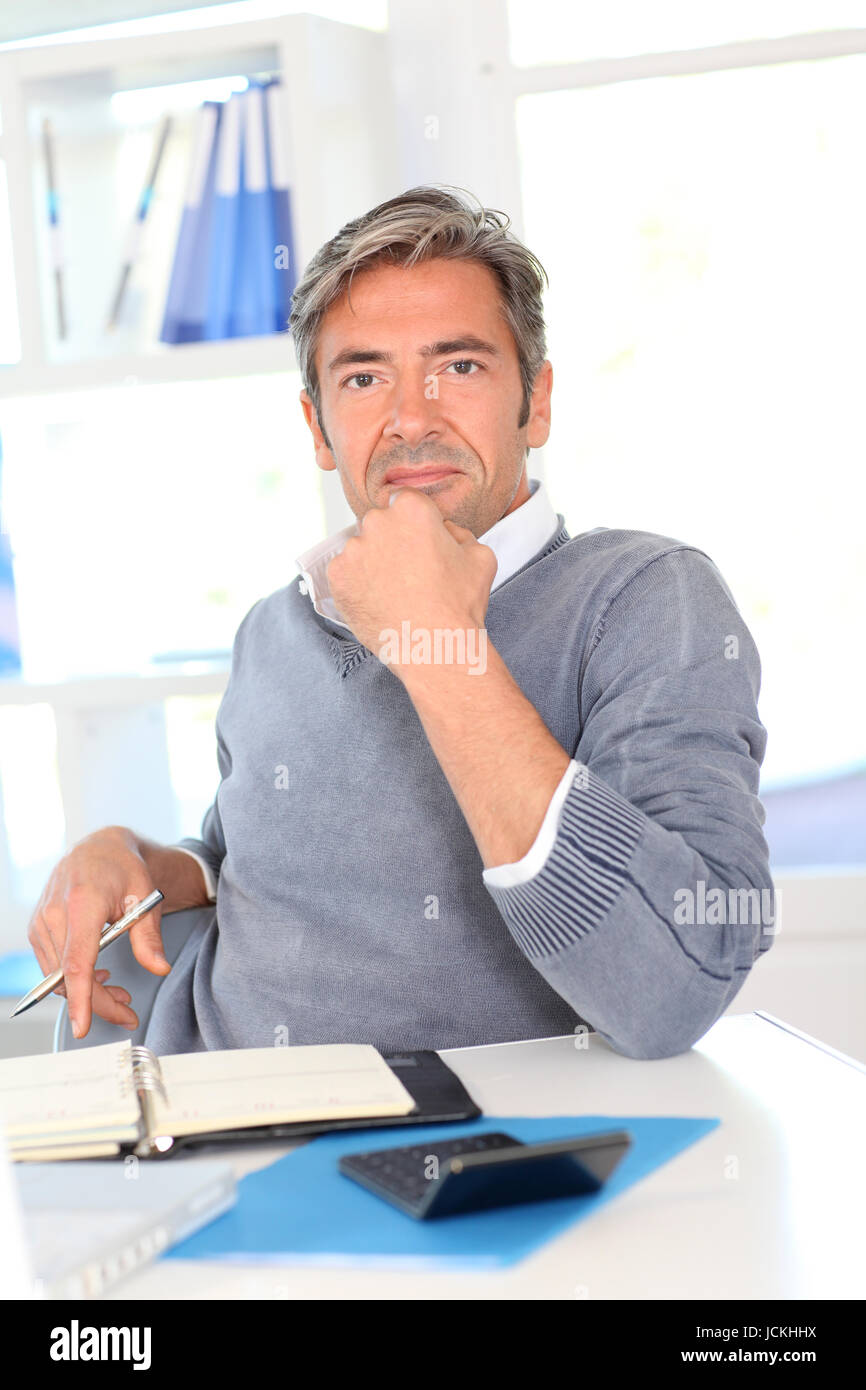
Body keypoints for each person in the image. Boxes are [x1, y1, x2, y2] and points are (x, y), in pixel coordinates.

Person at [28, 186, 776, 1059]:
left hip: (441, 1157)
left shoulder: (645, 599)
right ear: (318, 425)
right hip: (172, 1098)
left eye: (459, 366)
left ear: (534, 403)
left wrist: (441, 645)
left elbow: (676, 988)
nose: (412, 418)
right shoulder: (277, 626)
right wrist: (142, 861)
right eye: (364, 377)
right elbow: (248, 861)